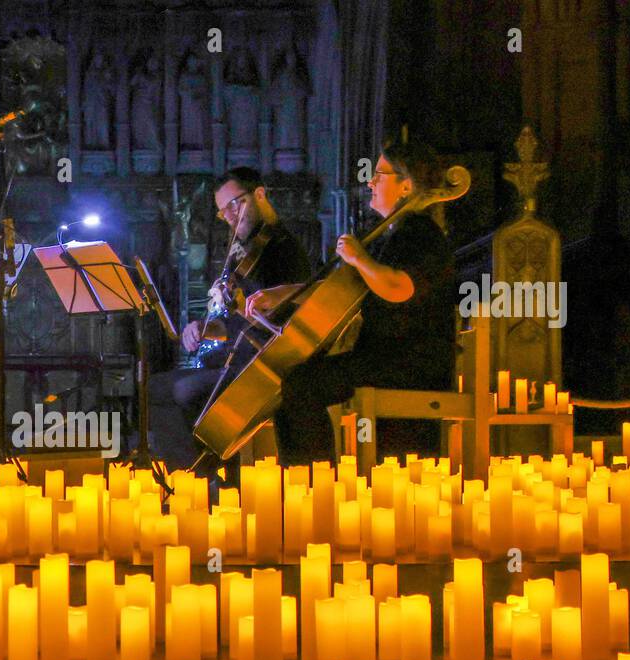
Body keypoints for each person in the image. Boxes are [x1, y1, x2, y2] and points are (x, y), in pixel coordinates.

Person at [247, 138, 457, 466]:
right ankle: (308, 478)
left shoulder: (421, 233)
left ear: (407, 186)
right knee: (296, 380)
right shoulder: (392, 233)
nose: (370, 182)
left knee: (300, 384)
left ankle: (315, 484)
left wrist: (360, 259)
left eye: (380, 175)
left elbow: (399, 287)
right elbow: (344, 288)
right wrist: (284, 293)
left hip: (409, 362)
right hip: (384, 356)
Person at [148, 167, 311, 473]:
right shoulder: (244, 254)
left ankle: (207, 479)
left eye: (235, 204)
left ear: (259, 195)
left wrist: (261, 301)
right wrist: (205, 329)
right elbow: (234, 325)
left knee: (183, 391)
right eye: (224, 211)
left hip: (264, 368)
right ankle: (192, 477)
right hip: (235, 359)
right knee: (154, 388)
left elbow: (297, 310)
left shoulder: (284, 248)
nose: (230, 216)